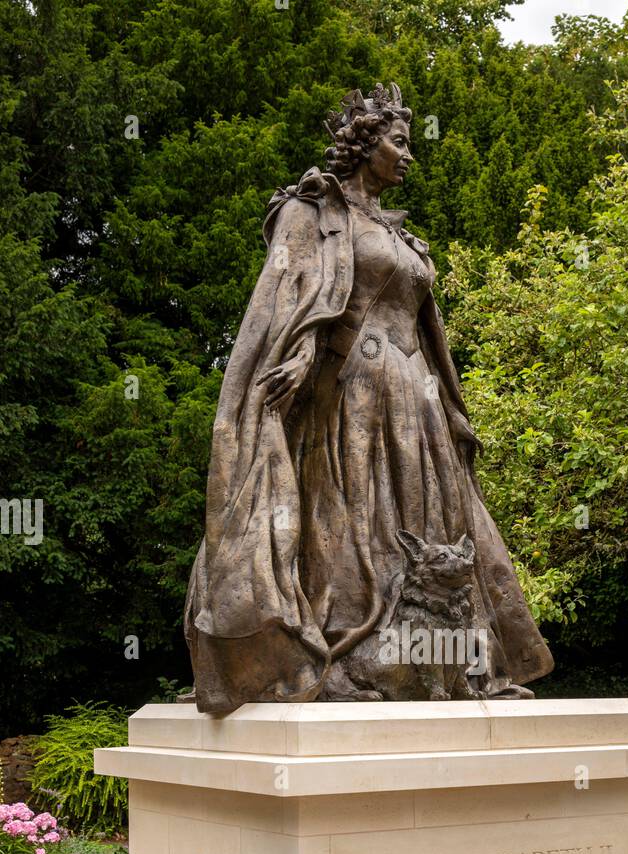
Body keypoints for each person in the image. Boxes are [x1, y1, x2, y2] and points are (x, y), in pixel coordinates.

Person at [184, 83, 553, 713]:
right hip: (353, 390)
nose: (410, 156)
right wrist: (298, 349)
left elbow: (425, 330)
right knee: (353, 518)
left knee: (428, 523)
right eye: (399, 142)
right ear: (363, 145)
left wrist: (453, 406)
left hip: (420, 398)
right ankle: (351, 650)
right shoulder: (316, 211)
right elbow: (282, 296)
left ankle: (437, 659)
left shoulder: (404, 236)